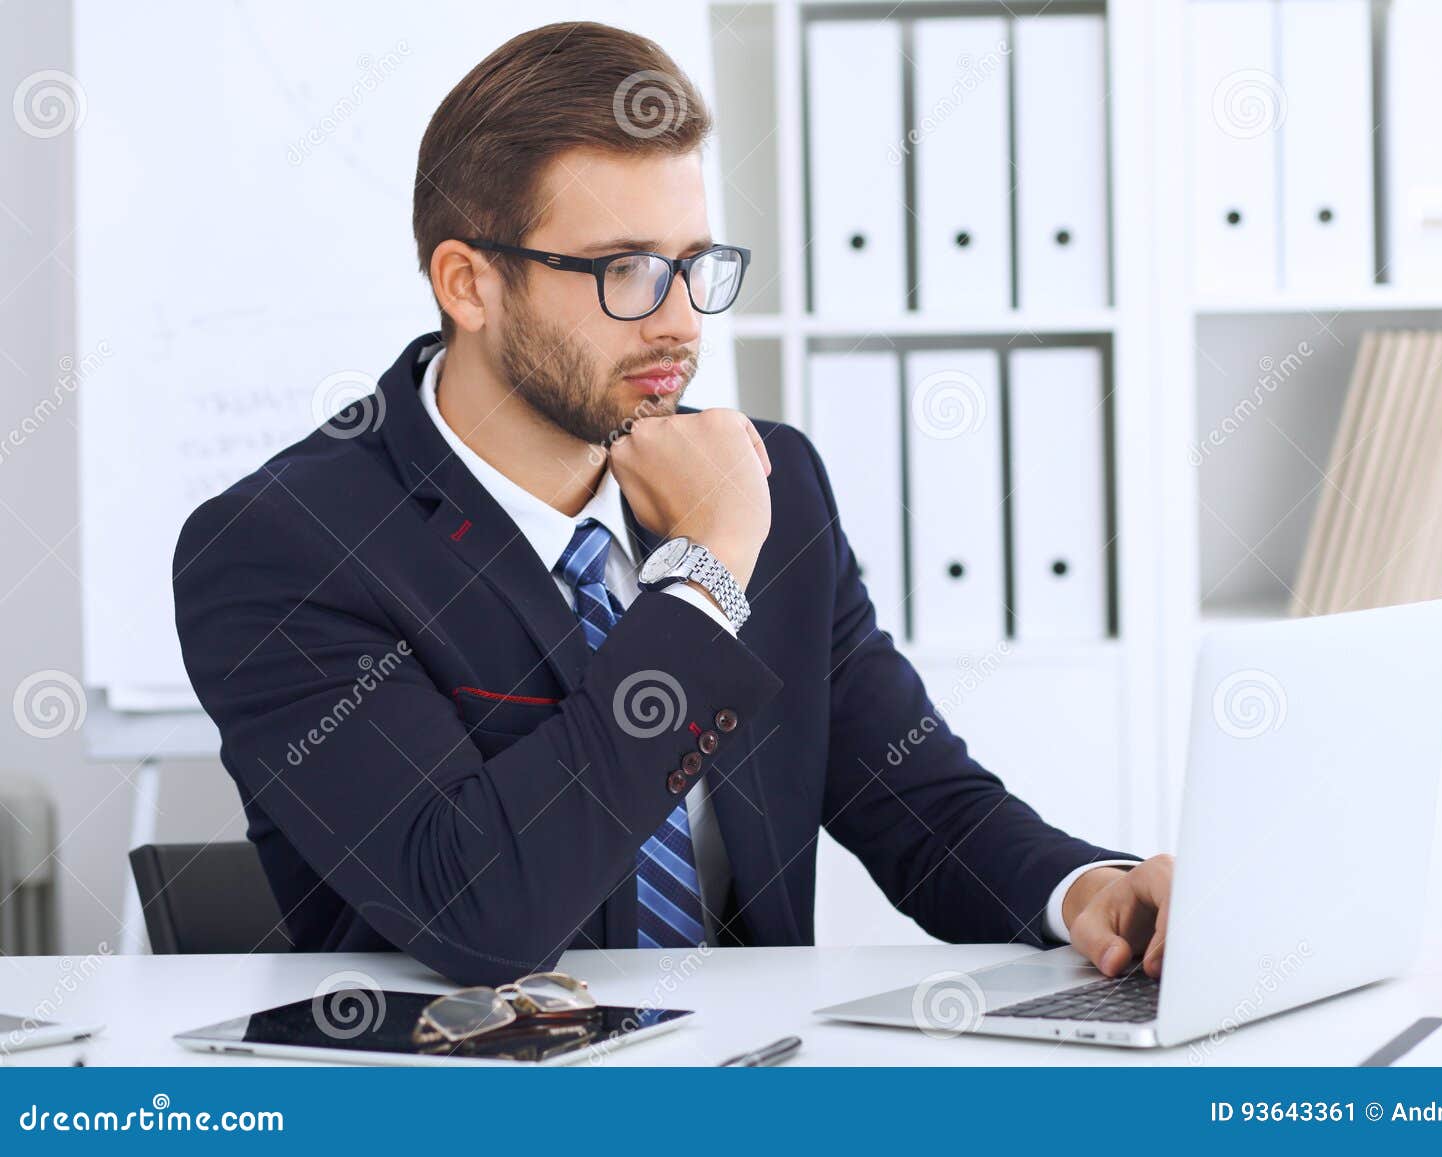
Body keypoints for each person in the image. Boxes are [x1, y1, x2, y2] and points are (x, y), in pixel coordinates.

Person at [173, 21, 1173, 986]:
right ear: (469, 284)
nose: (679, 321)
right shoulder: (282, 549)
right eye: (625, 270)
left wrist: (1088, 890)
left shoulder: (761, 478)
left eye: (694, 265)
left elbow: (914, 799)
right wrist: (705, 567)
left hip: (752, 1082)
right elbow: (481, 910)